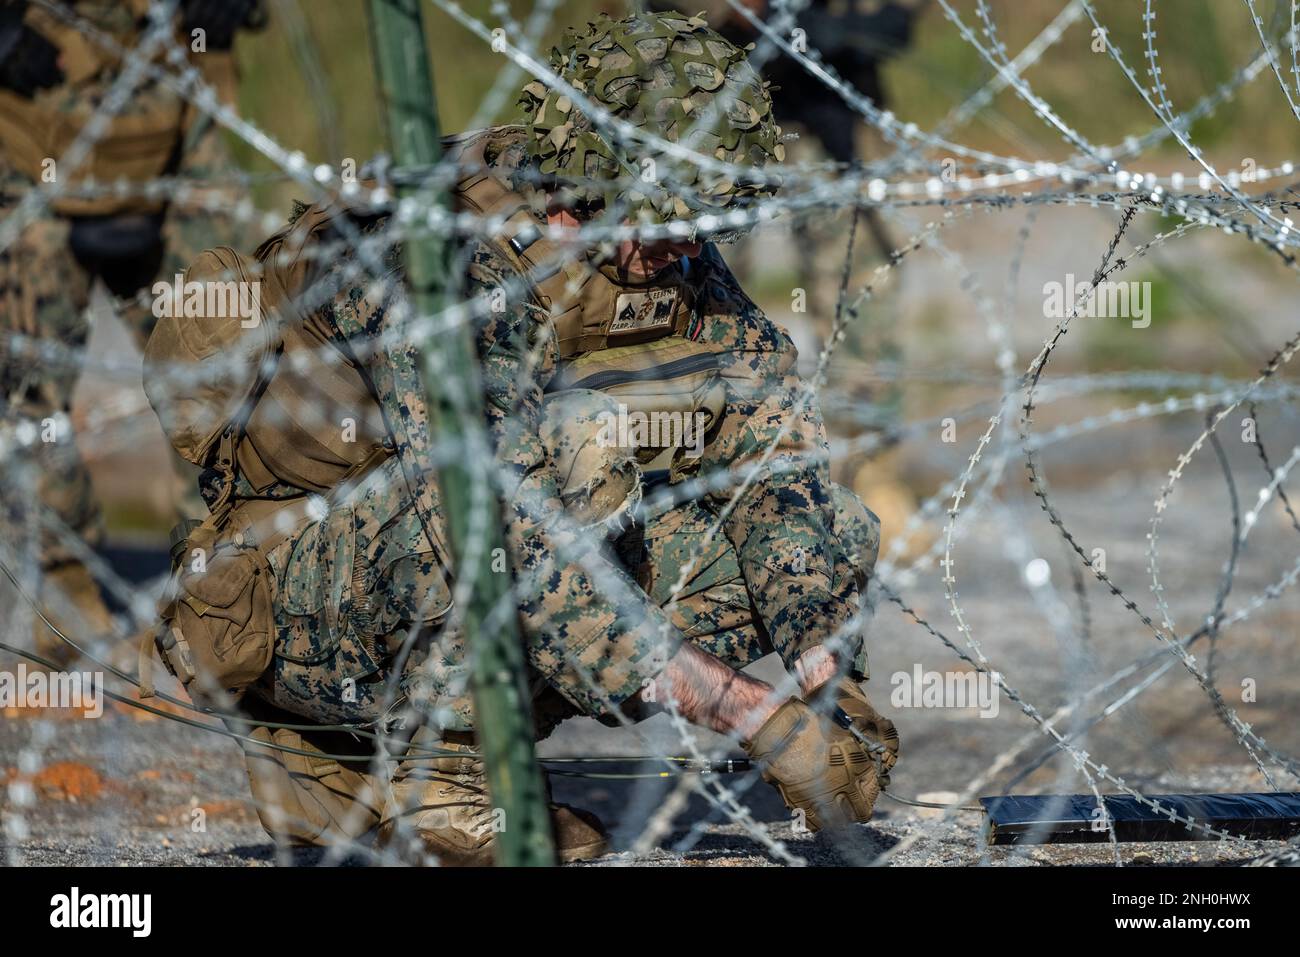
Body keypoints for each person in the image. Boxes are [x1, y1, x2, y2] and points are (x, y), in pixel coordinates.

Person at [141, 10, 898, 866]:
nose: (689, 244)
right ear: (595, 173)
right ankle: (441, 775)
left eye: (701, 220)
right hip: (297, 595)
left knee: (828, 524)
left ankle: (355, 771)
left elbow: (773, 450)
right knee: (557, 468)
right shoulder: (434, 254)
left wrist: (826, 676)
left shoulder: (654, 238)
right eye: (669, 217)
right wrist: (746, 712)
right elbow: (492, 515)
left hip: (452, 570)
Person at [0, 0, 263, 665]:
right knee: (29, 366)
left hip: (169, 103)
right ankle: (62, 581)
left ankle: (217, 567)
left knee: (223, 339)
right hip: (31, 124)